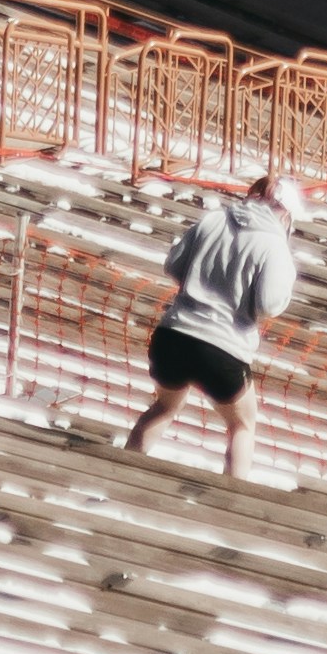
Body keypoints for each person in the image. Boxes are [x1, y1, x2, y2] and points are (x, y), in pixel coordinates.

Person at [122, 172, 300, 481]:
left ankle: (120, 470)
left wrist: (201, 283)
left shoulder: (215, 219)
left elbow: (173, 264)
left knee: (164, 407)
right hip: (223, 349)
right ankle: (232, 498)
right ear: (286, 211)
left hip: (173, 336)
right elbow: (269, 304)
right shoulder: (274, 244)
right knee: (242, 424)